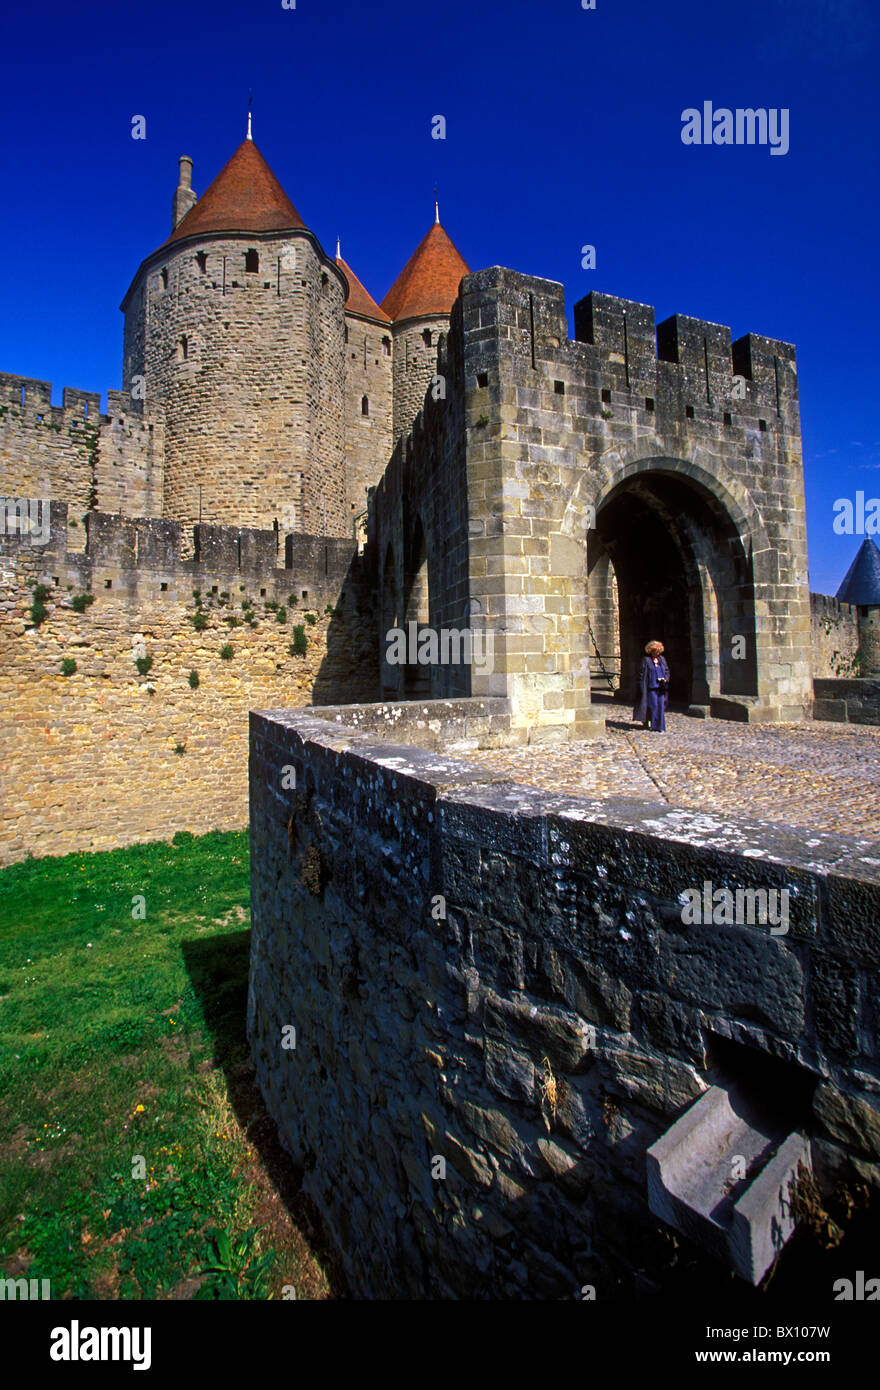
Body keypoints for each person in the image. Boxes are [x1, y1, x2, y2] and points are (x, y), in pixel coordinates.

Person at [632, 640, 670, 732]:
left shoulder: (662, 659)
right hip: (651, 687)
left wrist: (666, 678)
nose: (657, 653)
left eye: (658, 651)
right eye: (655, 651)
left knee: (660, 707)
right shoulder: (646, 660)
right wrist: (641, 686)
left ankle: (660, 726)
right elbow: (641, 674)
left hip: (660, 687)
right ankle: (653, 724)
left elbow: (666, 671)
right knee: (653, 706)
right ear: (651, 651)